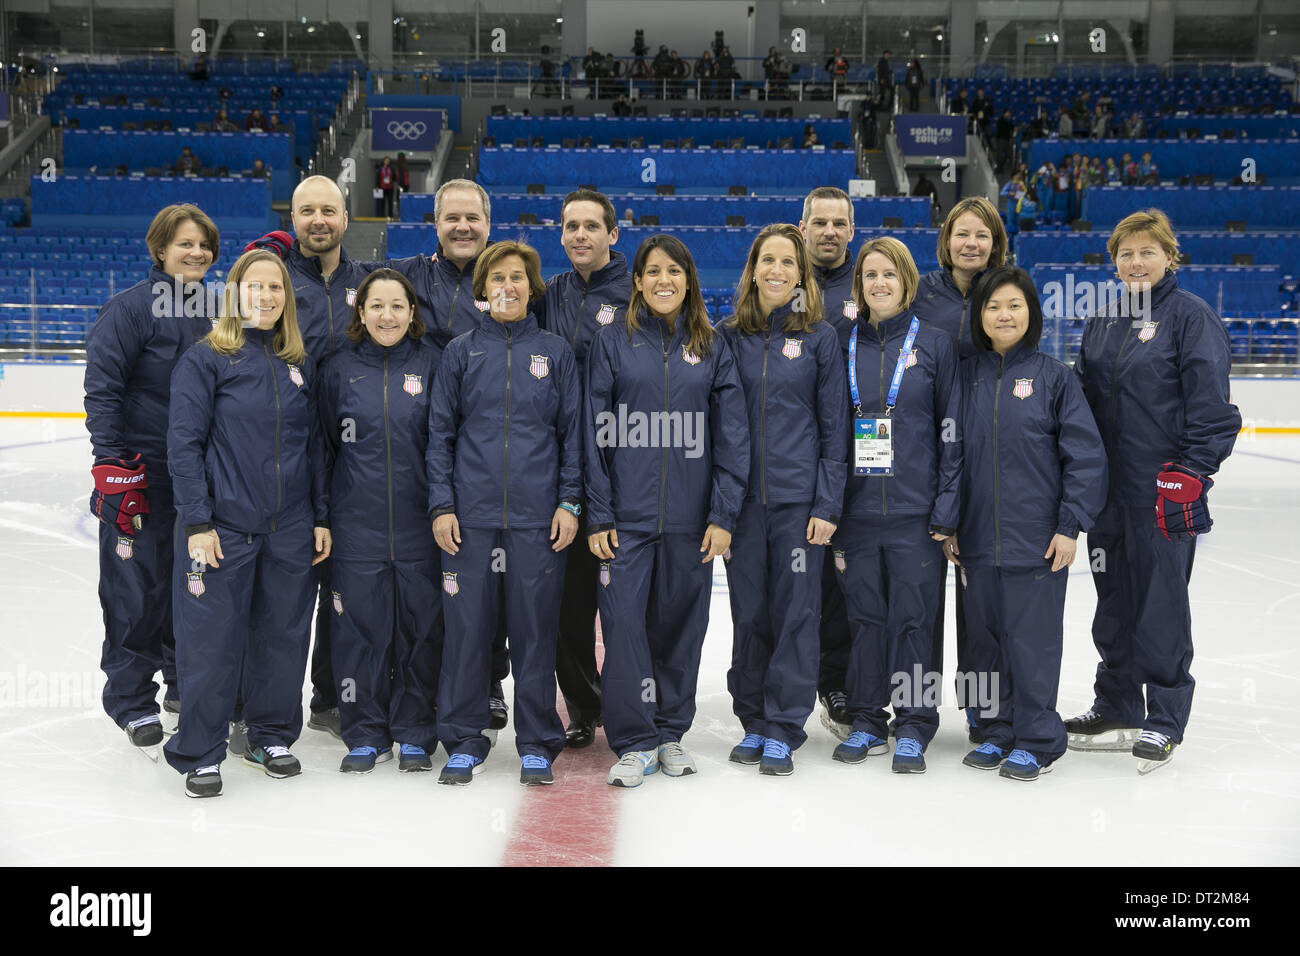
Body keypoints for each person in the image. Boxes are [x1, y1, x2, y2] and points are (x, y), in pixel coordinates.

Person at [1069, 209, 1241, 773]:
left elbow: (1214, 410)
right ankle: (1116, 703)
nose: (1136, 262)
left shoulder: (1192, 318)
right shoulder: (1103, 319)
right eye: (1125, 253)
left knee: (1160, 605)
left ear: (1171, 255)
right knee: (1112, 603)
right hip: (1107, 494)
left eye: (1147, 251)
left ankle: (1164, 717)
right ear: (1114, 262)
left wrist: (1190, 472)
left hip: (1164, 492)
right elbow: (1082, 402)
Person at [163, 249, 330, 797]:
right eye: (254, 288)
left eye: (276, 289)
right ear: (233, 294)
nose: (266, 297)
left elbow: (315, 450)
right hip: (223, 530)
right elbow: (184, 446)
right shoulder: (207, 358)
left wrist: (319, 517)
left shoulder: (297, 365)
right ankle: (201, 752)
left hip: (291, 527)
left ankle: (270, 735)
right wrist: (198, 522)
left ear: (288, 299)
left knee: (282, 637)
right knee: (211, 643)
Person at [585, 235, 749, 787]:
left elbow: (732, 437)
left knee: (682, 628)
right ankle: (634, 741)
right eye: (652, 271)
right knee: (625, 628)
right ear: (636, 281)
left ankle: (670, 732)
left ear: (689, 280)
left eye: (674, 271)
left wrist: (723, 514)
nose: (663, 281)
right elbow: (594, 433)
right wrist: (600, 513)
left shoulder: (712, 344)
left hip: (690, 520)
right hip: (625, 521)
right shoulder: (613, 342)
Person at [428, 241, 580, 785]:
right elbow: (440, 435)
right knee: (467, 631)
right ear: (483, 289)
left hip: (538, 521)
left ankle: (537, 740)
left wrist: (568, 501)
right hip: (468, 520)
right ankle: (465, 738)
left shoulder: (556, 353)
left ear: (532, 287)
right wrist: (442, 504)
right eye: (498, 279)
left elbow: (572, 437)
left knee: (535, 631)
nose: (508, 287)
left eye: (518, 278)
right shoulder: (460, 352)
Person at [948, 266, 1107, 781]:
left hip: (1036, 540)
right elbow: (949, 456)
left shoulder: (1054, 378)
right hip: (974, 540)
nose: (1004, 314)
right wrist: (948, 521)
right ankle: (995, 730)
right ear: (980, 315)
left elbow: (1084, 458)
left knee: (1031, 642)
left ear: (1031, 313)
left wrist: (1070, 525)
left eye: (1014, 305)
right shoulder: (965, 377)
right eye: (994, 306)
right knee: (984, 642)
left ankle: (1037, 737)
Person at [84, 203, 219, 755]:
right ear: (160, 249)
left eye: (204, 245)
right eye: (184, 244)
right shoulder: (130, 308)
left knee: (190, 589)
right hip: (140, 477)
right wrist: (114, 469)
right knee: (134, 592)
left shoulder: (217, 310)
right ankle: (131, 698)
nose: (195, 254)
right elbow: (104, 389)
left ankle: (183, 685)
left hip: (197, 481)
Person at [246, 176, 372, 745]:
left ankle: (331, 694)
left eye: (329, 210)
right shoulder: (271, 280)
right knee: (282, 595)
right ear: (291, 218)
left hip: (357, 457)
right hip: (286, 455)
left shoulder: (367, 282)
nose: (318, 220)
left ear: (347, 219)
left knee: (343, 587)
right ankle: (257, 705)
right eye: (306, 211)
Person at [718, 224, 848, 775]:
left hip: (798, 504)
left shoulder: (819, 338)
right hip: (742, 504)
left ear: (801, 274)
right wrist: (719, 507)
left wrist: (827, 504)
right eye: (767, 261)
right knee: (749, 616)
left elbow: (834, 426)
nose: (776, 271)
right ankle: (753, 719)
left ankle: (784, 725)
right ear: (752, 269)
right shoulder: (727, 336)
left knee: (797, 615)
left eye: (787, 263)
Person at [833, 237, 960, 773]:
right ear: (858, 286)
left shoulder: (934, 343)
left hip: (915, 513)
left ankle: (913, 723)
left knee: (915, 620)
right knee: (864, 618)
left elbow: (953, 431)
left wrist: (947, 505)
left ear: (907, 280)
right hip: (855, 513)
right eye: (869, 276)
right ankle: (866, 718)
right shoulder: (838, 342)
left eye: (889, 274)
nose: (879, 284)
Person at [318, 269, 444, 774]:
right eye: (376, 306)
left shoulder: (435, 365)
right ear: (361, 312)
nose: (387, 316)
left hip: (422, 527)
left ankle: (415, 730)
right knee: (359, 632)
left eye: (397, 306)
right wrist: (324, 515)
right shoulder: (337, 369)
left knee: (422, 629)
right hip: (356, 528)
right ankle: (365, 731)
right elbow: (321, 450)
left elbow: (445, 446)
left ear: (412, 313)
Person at [533, 189, 633, 749]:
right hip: (562, 464)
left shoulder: (634, 291)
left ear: (612, 234)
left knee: (623, 599)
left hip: (625, 459)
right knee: (569, 602)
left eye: (591, 226)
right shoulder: (551, 294)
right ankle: (581, 705)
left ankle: (633, 704)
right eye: (571, 226)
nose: (580, 236)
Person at [910, 196, 1008, 740]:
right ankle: (913, 712)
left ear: (996, 242)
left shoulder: (1009, 289)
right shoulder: (921, 292)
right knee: (919, 604)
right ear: (946, 240)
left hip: (993, 457)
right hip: (926, 460)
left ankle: (982, 710)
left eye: (983, 235)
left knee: (981, 604)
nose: (972, 244)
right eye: (962, 234)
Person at [797, 185, 856, 737]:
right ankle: (785, 683)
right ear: (805, 226)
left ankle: (838, 684)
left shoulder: (870, 283)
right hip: (791, 460)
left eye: (840, 223)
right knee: (795, 581)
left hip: (859, 457)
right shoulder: (783, 282)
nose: (830, 232)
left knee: (844, 581)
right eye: (821, 223)